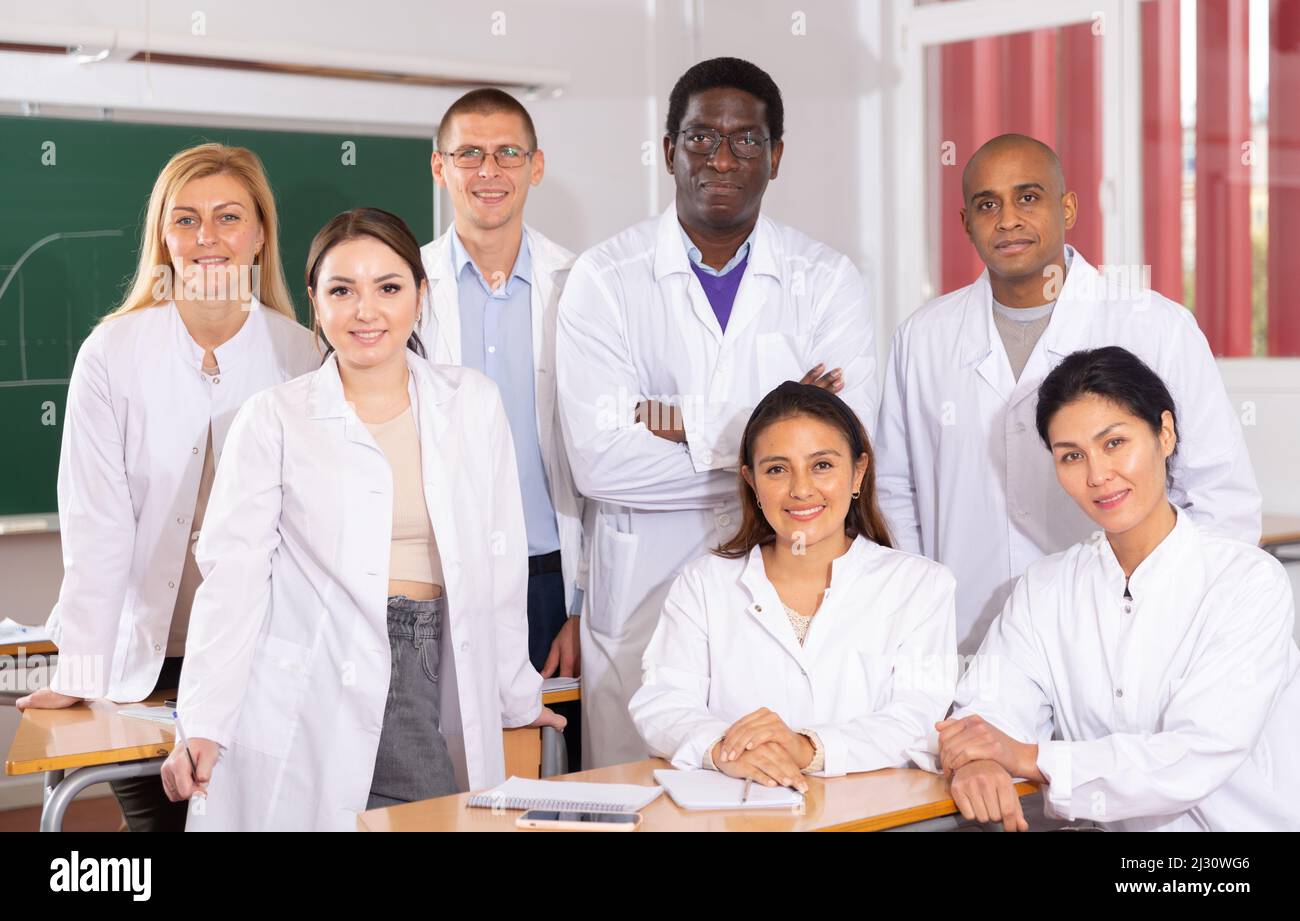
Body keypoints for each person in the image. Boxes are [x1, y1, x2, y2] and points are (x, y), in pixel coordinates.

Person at [160, 208, 562, 830]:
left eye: (389, 287)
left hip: (435, 654)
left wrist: (514, 691)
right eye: (342, 290)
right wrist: (205, 720)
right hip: (309, 673)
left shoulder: (472, 404)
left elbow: (499, 566)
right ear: (315, 304)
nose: (365, 310)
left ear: (421, 297)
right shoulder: (274, 417)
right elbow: (232, 579)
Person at [558, 57, 878, 767]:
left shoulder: (827, 280)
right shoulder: (604, 280)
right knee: (646, 798)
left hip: (789, 592)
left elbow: (847, 454)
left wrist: (673, 420)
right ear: (669, 149)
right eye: (701, 137)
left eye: (746, 139)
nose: (722, 157)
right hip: (644, 595)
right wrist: (776, 436)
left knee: (782, 780)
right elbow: (600, 462)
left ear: (777, 156)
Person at [16, 143, 318, 832]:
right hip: (138, 666)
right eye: (185, 219)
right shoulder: (113, 353)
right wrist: (80, 667)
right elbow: (96, 531)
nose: (207, 236)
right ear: (163, 237)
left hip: (257, 661)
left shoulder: (301, 354)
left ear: (261, 233)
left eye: (228, 216)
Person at [873, 133, 1260, 655]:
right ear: (966, 223)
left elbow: (1219, 496)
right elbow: (895, 495)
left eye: (1028, 197)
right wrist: (916, 618)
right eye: (987, 205)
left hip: (1124, 637)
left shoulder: (1156, 325)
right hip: (961, 637)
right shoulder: (923, 337)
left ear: (1068, 207)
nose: (1008, 219)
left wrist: (1176, 620)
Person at [935, 347, 1300, 832]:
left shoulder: (1246, 582)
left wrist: (1025, 757)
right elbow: (988, 709)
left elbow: (1194, 755)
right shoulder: (1045, 590)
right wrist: (977, 760)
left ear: (1164, 433)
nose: (1097, 476)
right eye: (1071, 456)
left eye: (1114, 443)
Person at [629, 382, 955, 785]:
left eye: (822, 465)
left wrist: (808, 747)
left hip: (872, 817)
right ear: (751, 481)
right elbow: (663, 703)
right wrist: (721, 749)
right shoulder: (703, 584)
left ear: (858, 473)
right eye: (777, 469)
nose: (801, 489)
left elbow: (918, 719)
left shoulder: (921, 586)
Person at [420, 90, 585, 762]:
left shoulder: (582, 284)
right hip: (439, 580)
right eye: (469, 154)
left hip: (552, 585)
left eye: (507, 153)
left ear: (536, 165)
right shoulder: (407, 288)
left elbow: (600, 454)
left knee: (556, 776)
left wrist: (583, 603)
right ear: (440, 167)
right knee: (447, 778)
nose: (489, 170)